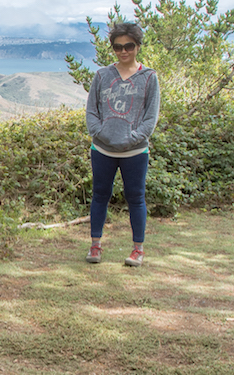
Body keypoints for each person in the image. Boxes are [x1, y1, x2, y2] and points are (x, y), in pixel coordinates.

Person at [84, 22, 160, 267]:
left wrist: (132, 137)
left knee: (136, 198)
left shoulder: (148, 78)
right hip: (102, 149)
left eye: (128, 46)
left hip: (135, 151)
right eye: (118, 47)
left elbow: (151, 117)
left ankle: (138, 249)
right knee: (100, 196)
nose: (123, 51)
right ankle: (95, 246)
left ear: (137, 46)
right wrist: (99, 132)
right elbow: (91, 110)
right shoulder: (102, 75)